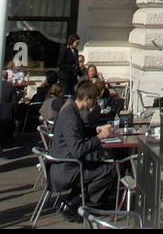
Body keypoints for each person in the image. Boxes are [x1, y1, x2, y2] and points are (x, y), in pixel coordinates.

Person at [49, 81, 119, 222]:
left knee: (99, 167)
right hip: (66, 168)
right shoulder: (71, 116)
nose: (94, 104)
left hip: (63, 163)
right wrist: (99, 137)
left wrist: (96, 130)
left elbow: (79, 133)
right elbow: (78, 150)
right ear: (86, 98)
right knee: (110, 170)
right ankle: (81, 206)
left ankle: (75, 201)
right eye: (93, 100)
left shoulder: (70, 109)